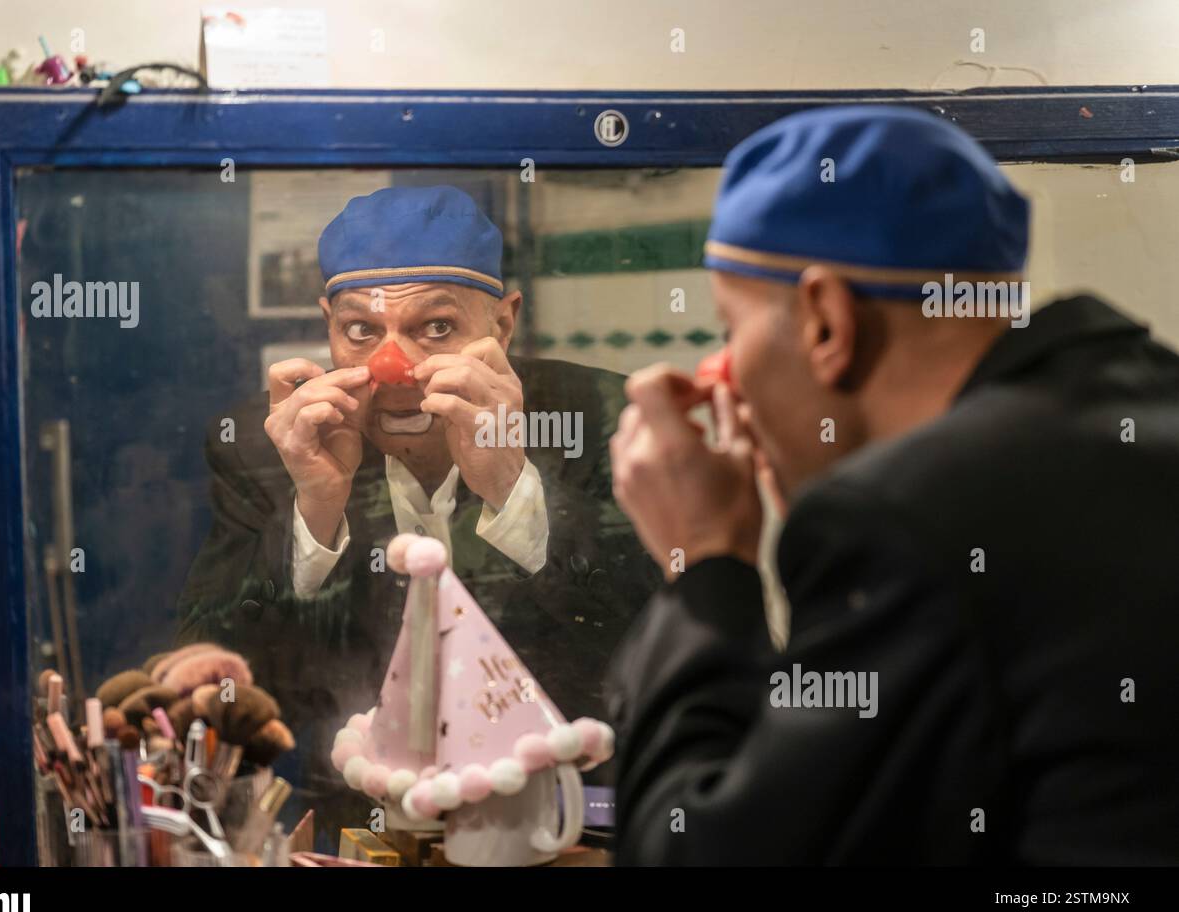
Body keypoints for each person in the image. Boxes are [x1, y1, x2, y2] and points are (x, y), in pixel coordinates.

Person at [607, 106, 1179, 865]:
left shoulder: (904, 521)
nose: (724, 376)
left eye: (730, 329)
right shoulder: (1135, 410)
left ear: (825, 322)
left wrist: (706, 563)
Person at [177, 185, 660, 845]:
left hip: (564, 825)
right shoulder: (267, 446)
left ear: (502, 324)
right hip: (365, 827)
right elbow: (219, 674)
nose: (393, 367)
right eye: (360, 331)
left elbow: (649, 638)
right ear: (327, 325)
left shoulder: (598, 417)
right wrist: (316, 508)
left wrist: (511, 486)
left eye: (437, 328)